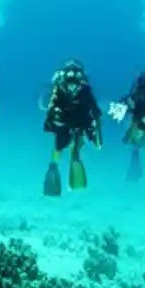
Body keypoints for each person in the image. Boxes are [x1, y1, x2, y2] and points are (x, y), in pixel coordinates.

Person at [41, 59, 103, 196]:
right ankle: (54, 167)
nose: (72, 87)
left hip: (78, 123)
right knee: (60, 145)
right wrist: (54, 117)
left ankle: (69, 168)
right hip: (63, 122)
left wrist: (96, 135)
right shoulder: (59, 87)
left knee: (74, 147)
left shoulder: (85, 90)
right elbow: (51, 105)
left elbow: (94, 111)